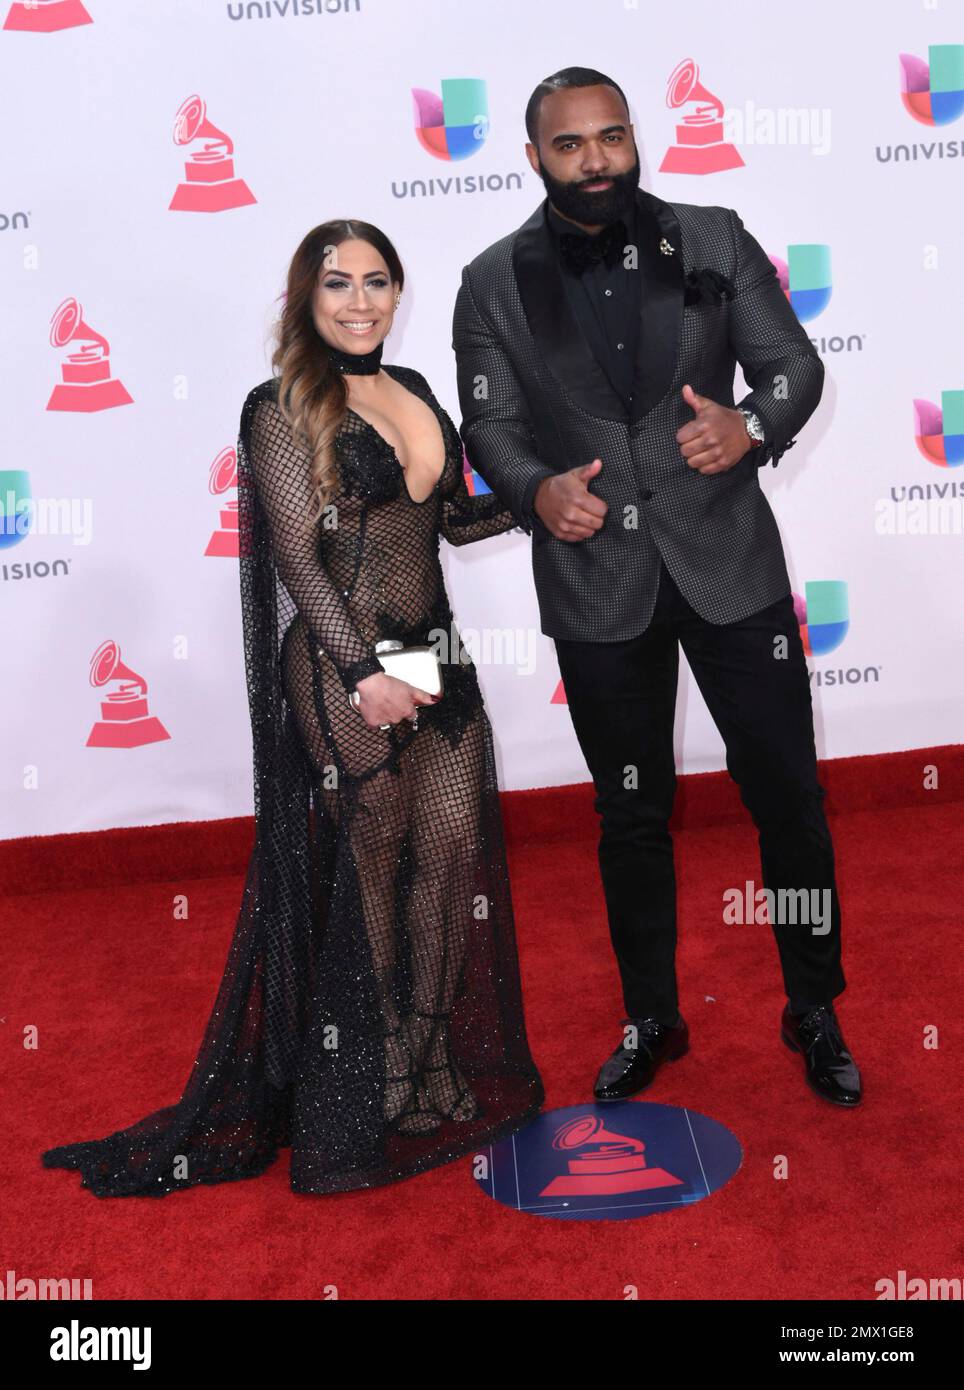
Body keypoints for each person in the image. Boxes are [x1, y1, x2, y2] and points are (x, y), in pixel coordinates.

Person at [41, 219, 544, 1197]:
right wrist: (364, 672)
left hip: (431, 650)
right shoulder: (279, 408)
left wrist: (543, 489)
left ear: (399, 294)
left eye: (377, 282)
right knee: (377, 847)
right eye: (337, 284)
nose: (360, 300)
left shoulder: (418, 395)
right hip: (338, 659)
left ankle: (428, 1046)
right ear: (305, 301)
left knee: (448, 849)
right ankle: (375, 1064)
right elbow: (298, 560)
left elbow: (454, 519)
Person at [452, 68, 862, 1109]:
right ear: (534, 157)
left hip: (729, 565)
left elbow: (792, 368)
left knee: (788, 797)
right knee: (629, 815)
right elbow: (491, 427)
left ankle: (813, 1005)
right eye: (570, 144)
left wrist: (752, 425)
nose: (596, 159)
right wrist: (537, 490)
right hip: (597, 579)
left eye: (612, 137)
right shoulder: (490, 280)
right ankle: (651, 1018)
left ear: (636, 139)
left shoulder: (712, 236)